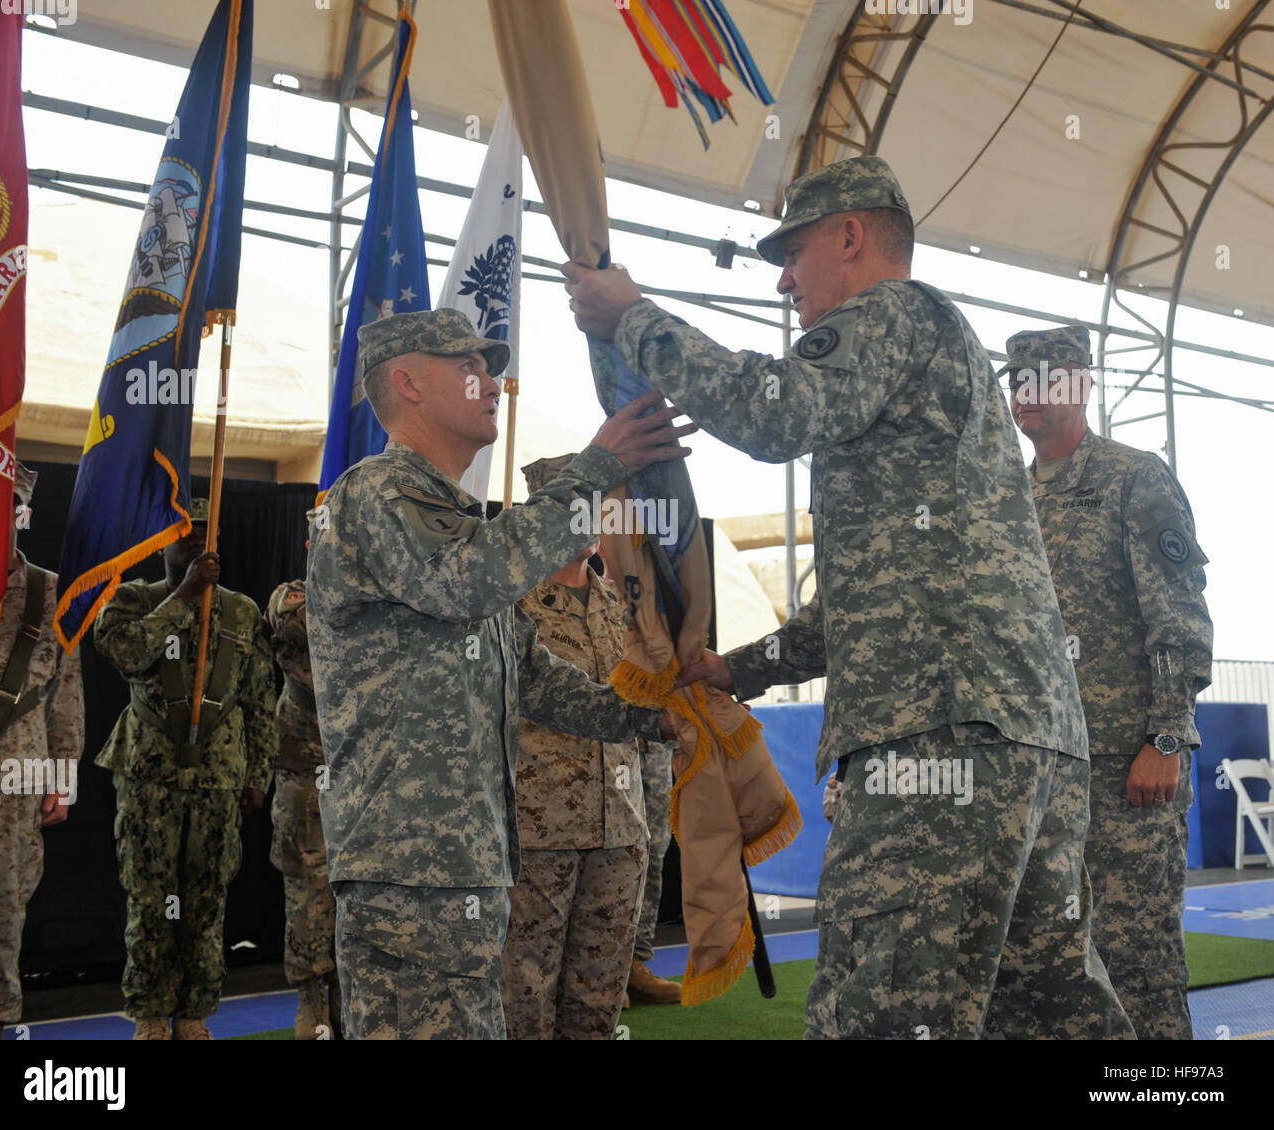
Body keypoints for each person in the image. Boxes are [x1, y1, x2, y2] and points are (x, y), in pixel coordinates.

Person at [563, 155, 1132, 1040]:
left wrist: (631, 320)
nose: (786, 280)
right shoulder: (927, 374)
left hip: (936, 737)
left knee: (878, 1010)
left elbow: (772, 411)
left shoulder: (893, 315)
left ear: (851, 236)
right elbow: (862, 606)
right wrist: (737, 667)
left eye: (793, 254)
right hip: (1023, 737)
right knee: (1054, 1009)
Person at [305, 308, 691, 1040]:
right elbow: (467, 584)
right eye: (467, 368)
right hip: (411, 862)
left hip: (462, 861)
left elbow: (536, 676)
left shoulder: (459, 525)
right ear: (406, 382)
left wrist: (651, 716)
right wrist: (595, 471)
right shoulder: (377, 494)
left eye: (488, 368)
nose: (490, 383)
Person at [1005, 324, 1212, 1039]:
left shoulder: (1134, 477)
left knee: (1136, 959)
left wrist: (1165, 736)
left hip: (1127, 770)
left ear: (1082, 386)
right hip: (1038, 778)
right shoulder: (1006, 498)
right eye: (1016, 381)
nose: (1026, 395)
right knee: (1046, 966)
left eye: (1044, 380)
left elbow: (1179, 620)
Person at [95, 497, 277, 1040]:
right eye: (185, 535)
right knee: (153, 899)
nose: (198, 543)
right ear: (164, 542)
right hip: (151, 774)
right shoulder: (133, 598)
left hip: (219, 777)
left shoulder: (242, 612)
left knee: (204, 899)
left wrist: (257, 774)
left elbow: (258, 699)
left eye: (206, 534)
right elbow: (127, 654)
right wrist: (184, 596)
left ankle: (195, 1011)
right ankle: (150, 1012)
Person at [500, 454, 650, 1038]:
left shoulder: (628, 606)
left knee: (599, 994)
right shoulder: (511, 605)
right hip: (539, 829)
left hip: (621, 827)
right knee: (524, 992)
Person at [0, 462, 83, 1041]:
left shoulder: (47, 592)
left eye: (5, 504)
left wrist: (62, 779)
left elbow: (64, 694)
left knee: (3, 914)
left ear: (21, 513)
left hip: (17, 780)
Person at [265, 572, 338, 1040]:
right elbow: (293, 623)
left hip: (369, 769)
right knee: (309, 889)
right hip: (308, 767)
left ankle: (350, 993)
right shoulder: (296, 594)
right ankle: (312, 996)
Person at [628, 736, 681, 1005]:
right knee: (609, 857)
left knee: (652, 857)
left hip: (656, 744)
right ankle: (597, 969)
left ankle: (635, 966)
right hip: (604, 739)